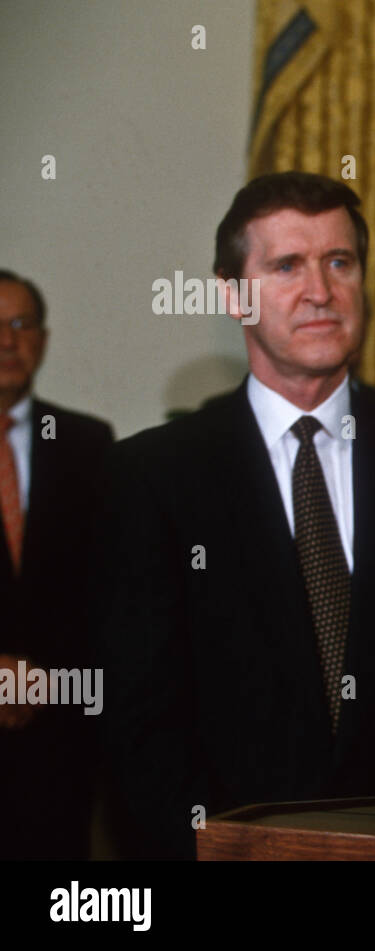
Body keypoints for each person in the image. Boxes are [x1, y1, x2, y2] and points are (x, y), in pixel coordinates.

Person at [96, 172, 375, 858]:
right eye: (286, 266)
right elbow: (138, 723)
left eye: (340, 262)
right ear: (232, 292)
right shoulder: (152, 477)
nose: (320, 292)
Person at [0, 270, 114, 859]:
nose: (7, 342)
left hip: (60, 741)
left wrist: (48, 676)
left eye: (21, 326)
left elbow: (108, 592)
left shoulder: (88, 445)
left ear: (42, 340)